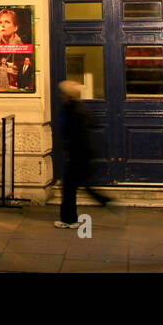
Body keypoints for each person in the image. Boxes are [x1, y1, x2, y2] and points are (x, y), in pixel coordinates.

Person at [55, 80, 110, 228]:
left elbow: (75, 133)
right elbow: (93, 123)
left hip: (78, 154)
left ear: (68, 95)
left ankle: (69, 219)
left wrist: (70, 149)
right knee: (78, 185)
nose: (60, 96)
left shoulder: (74, 110)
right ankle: (102, 200)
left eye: (62, 93)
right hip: (82, 153)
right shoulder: (78, 108)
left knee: (69, 188)